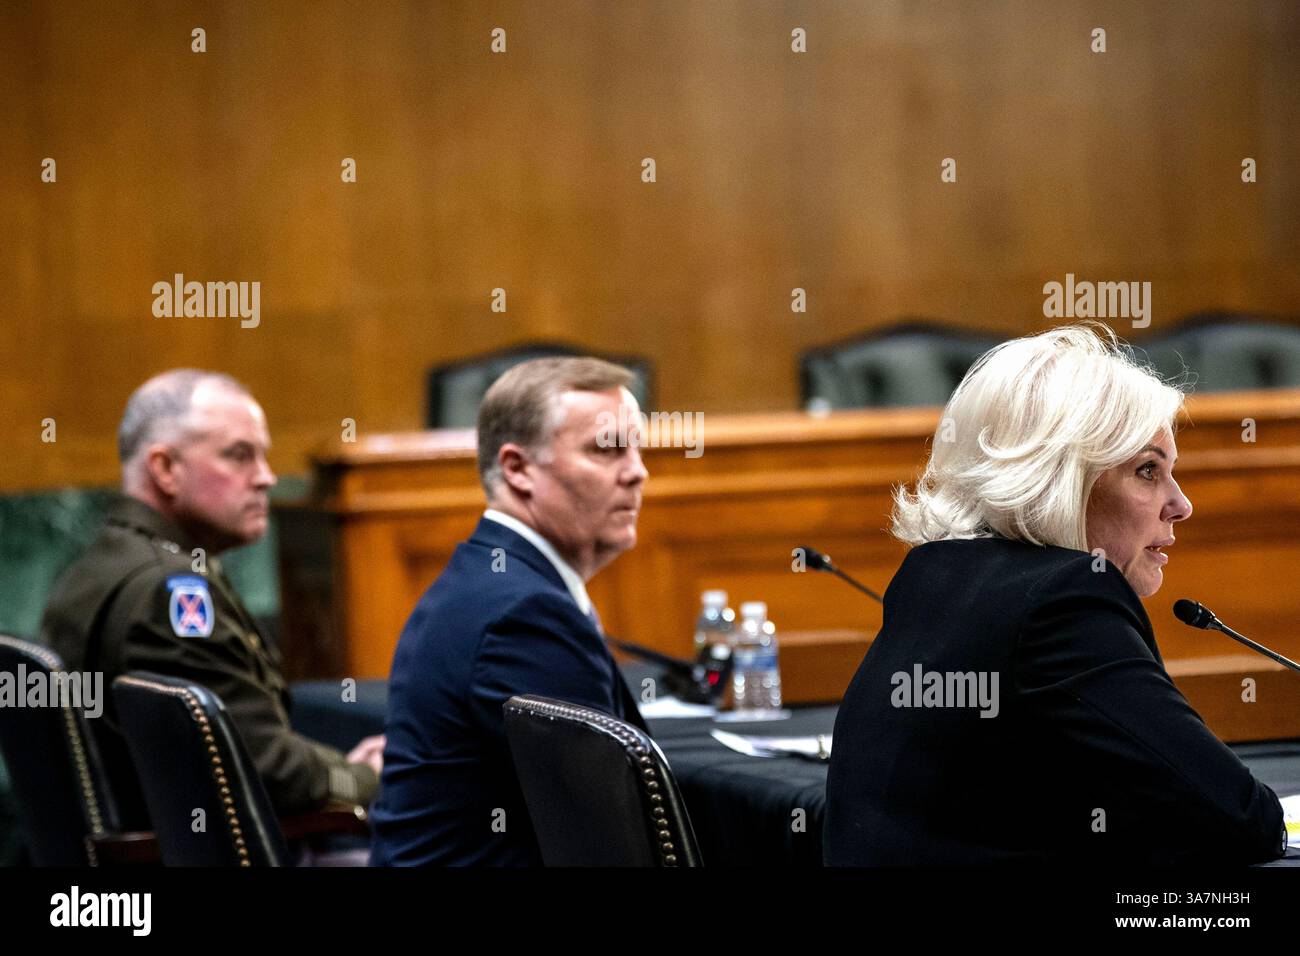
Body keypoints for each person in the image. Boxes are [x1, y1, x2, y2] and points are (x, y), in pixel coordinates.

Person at [825, 322, 1287, 865]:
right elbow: (1240, 818)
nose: (1181, 505)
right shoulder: (1065, 600)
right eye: (1147, 471)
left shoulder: (936, 573)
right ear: (1061, 477)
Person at [41, 370, 383, 830]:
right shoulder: (168, 597)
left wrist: (341, 769)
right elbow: (263, 768)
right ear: (164, 468)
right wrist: (365, 779)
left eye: (263, 456)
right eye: (239, 456)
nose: (265, 477)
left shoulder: (103, 561)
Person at [371, 357, 650, 866]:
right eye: (607, 449)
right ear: (517, 470)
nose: (636, 472)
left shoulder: (488, 579)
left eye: (636, 448)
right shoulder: (523, 615)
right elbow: (614, 838)